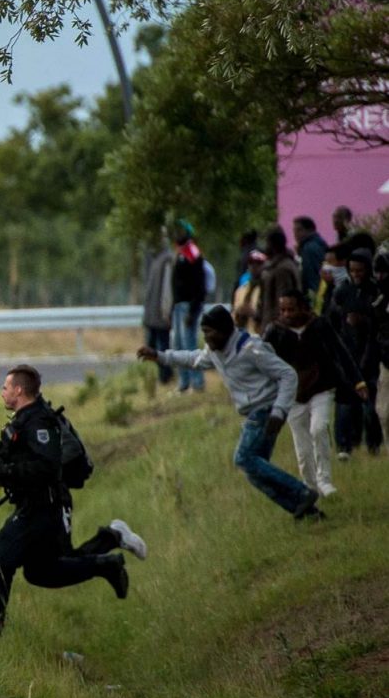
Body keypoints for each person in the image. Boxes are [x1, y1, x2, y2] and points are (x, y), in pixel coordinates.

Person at [0, 364, 139, 634]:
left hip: (41, 509)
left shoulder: (39, 422)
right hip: (38, 506)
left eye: (5, 388)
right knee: (42, 572)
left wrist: (8, 470)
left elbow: (48, 466)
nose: (2, 393)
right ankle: (105, 563)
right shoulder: (26, 418)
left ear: (18, 390)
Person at [138, 306, 323, 519]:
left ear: (225, 330)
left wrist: (279, 411)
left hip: (265, 410)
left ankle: (303, 492)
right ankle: (306, 511)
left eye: (210, 332)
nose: (207, 338)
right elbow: (194, 359)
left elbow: (288, 374)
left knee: (243, 458)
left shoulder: (251, 349)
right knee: (255, 473)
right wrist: (160, 356)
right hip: (255, 412)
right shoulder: (216, 351)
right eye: (204, 332)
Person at [265, 290, 364, 497]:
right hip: (292, 395)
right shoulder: (275, 331)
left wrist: (357, 381)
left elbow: (340, 351)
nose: (287, 314)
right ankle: (310, 487)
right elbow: (263, 362)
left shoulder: (319, 326)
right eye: (282, 310)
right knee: (301, 444)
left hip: (321, 387)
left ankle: (324, 480)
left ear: (303, 307)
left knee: (319, 428)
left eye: (291, 309)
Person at [329, 249, 383, 458]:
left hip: (369, 354)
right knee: (344, 404)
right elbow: (332, 319)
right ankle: (344, 446)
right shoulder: (343, 291)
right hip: (346, 353)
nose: (356, 274)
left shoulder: (375, 292)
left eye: (360, 270)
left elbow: (379, 325)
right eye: (352, 270)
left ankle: (373, 444)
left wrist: (364, 321)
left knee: (370, 405)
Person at [170, 220, 207, 393]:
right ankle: (184, 382)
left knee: (189, 345)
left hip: (188, 305)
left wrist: (193, 309)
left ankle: (197, 382)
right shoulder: (180, 254)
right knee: (178, 344)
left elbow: (199, 284)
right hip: (178, 305)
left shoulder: (193, 254)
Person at [142, 240, 175, 385]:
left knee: (162, 347)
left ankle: (166, 376)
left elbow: (167, 291)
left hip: (160, 315)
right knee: (153, 346)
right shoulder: (156, 260)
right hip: (153, 315)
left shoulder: (166, 260)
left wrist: (166, 312)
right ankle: (165, 375)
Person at [259, 227, 302, 333]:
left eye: (267, 243)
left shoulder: (282, 269)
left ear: (272, 245)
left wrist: (275, 328)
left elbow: (283, 302)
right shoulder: (279, 266)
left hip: (278, 330)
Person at [292, 217, 329, 298]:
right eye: (294, 230)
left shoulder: (309, 248)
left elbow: (312, 274)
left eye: (299, 230)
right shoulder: (317, 244)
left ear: (310, 230)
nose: (295, 234)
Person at [232, 250, 266, 334]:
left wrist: (254, 314)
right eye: (251, 263)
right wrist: (240, 313)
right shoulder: (241, 290)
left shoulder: (267, 288)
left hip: (260, 334)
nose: (254, 266)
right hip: (244, 335)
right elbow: (234, 316)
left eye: (258, 263)